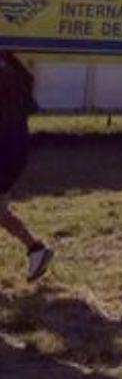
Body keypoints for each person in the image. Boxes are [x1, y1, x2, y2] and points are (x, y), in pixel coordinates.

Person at [0, 72, 54, 282]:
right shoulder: (10, 69)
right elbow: (31, 104)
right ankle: (36, 250)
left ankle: (36, 250)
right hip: (16, 150)